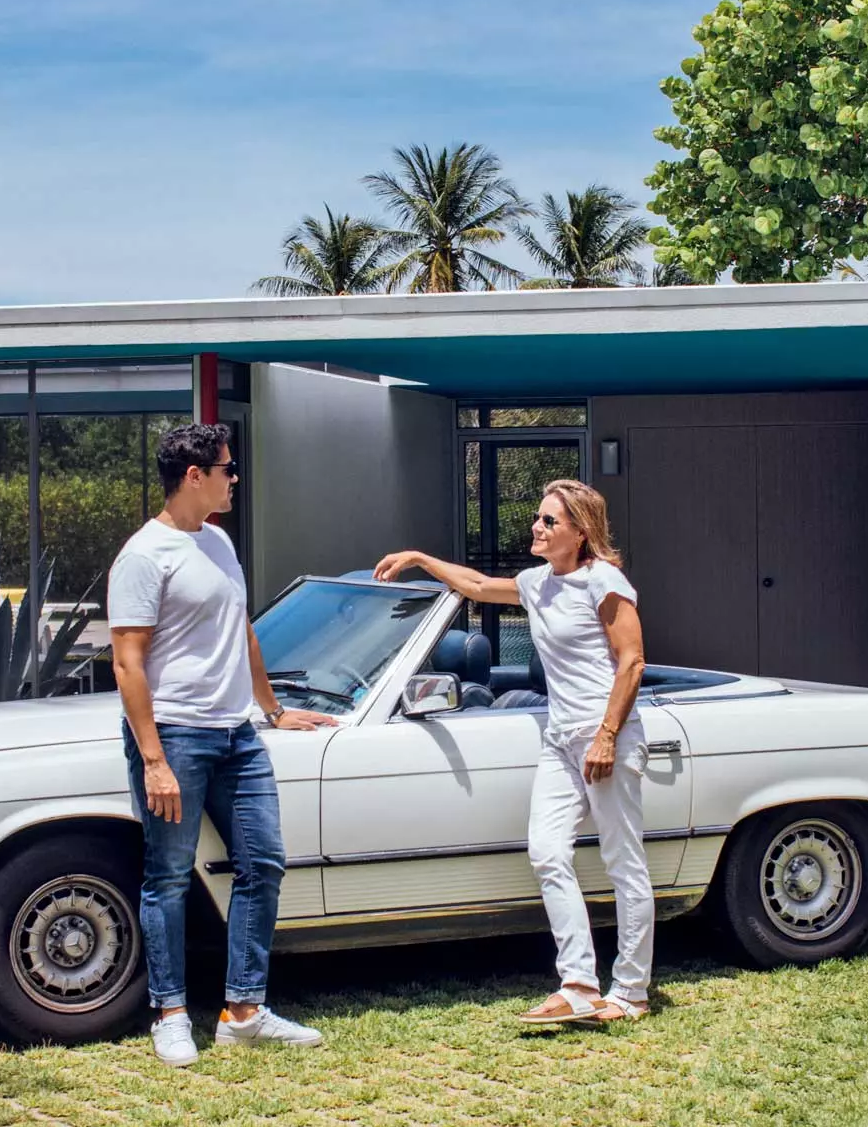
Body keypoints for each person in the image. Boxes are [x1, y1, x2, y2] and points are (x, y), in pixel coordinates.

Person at [374, 478, 652, 1023]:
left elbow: (632, 661)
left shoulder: (603, 581)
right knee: (547, 852)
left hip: (606, 738)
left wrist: (607, 736)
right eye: (538, 518)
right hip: (561, 738)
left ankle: (631, 991)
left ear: (581, 531)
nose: (538, 527)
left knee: (623, 862)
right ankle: (577, 983)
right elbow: (476, 585)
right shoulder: (538, 583)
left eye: (551, 521)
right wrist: (419, 558)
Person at [109, 422, 337, 1067]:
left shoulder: (218, 542)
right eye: (227, 470)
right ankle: (171, 1012)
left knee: (263, 863)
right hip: (175, 736)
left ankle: (243, 1009)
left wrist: (273, 709)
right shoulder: (144, 556)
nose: (234, 479)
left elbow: (241, 632)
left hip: (236, 734)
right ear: (194, 477)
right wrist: (153, 759)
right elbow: (128, 663)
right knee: (168, 878)